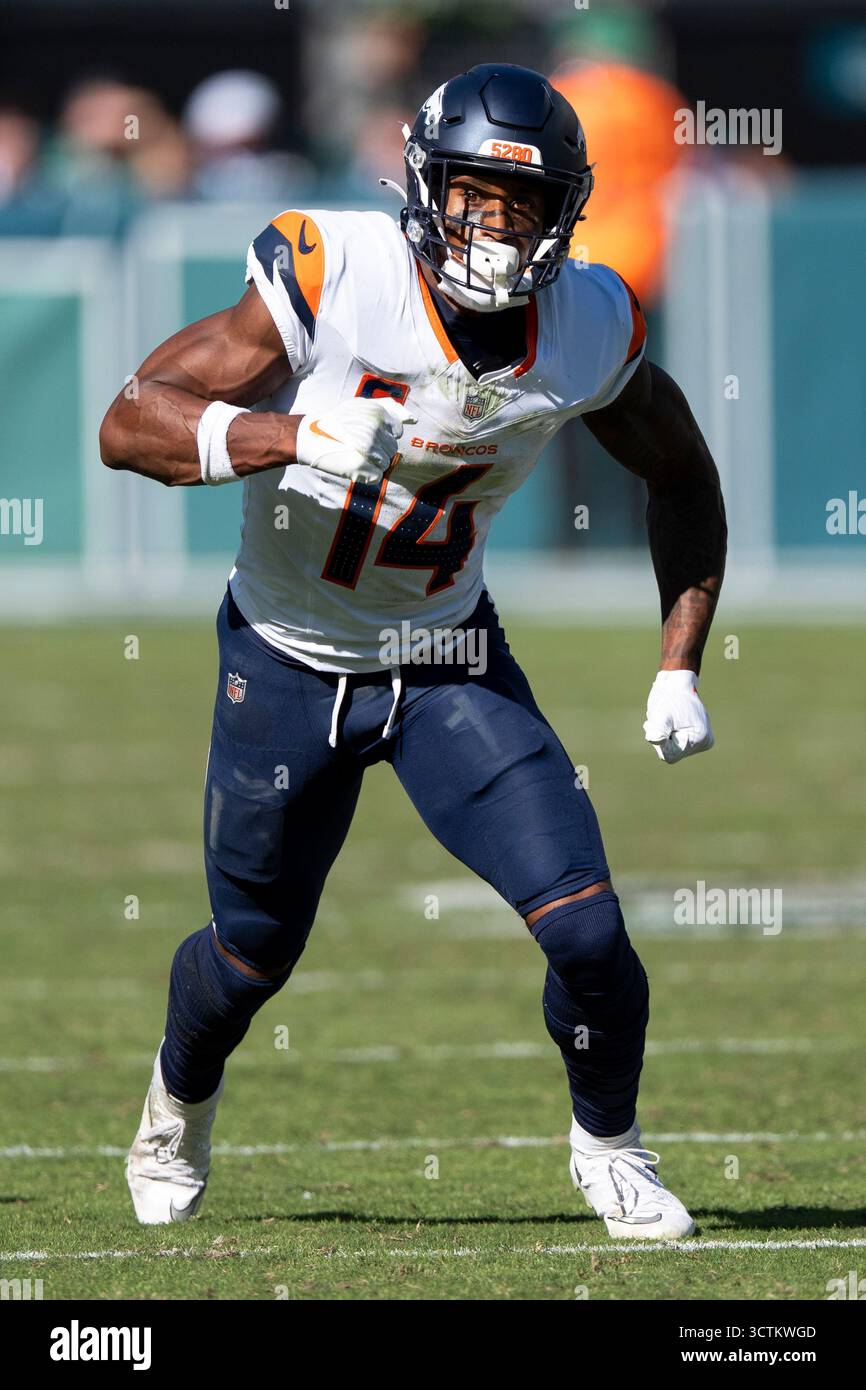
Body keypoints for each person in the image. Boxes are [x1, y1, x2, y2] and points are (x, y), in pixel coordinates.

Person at [100, 64, 726, 1238]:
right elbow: (129, 421)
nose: (496, 228)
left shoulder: (588, 320)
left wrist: (679, 660)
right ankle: (178, 1098)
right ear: (426, 189)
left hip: (446, 660)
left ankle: (609, 1147)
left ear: (564, 214)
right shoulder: (335, 273)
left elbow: (682, 473)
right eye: (476, 197)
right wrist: (295, 432)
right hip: (286, 660)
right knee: (248, 958)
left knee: (588, 931)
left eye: (523, 205)